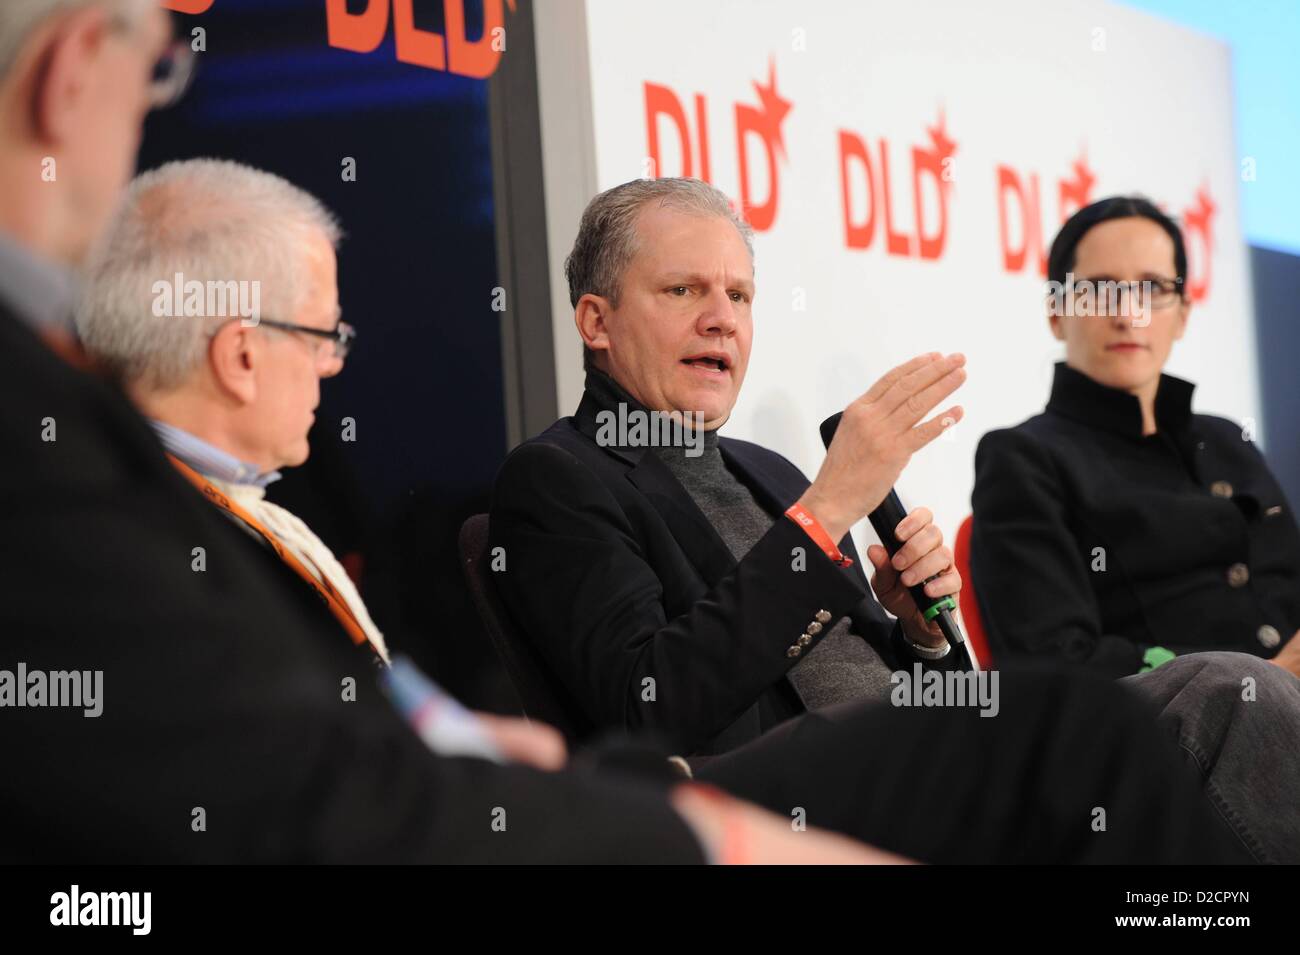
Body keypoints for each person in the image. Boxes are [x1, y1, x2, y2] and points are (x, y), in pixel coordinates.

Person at [0, 0, 885, 864]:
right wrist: (695, 835)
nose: (339, 365)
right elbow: (324, 781)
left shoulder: (219, 514)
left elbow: (370, 731)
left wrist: (921, 631)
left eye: (738, 295)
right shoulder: (103, 501)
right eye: (324, 335)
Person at [489, 176, 1296, 862]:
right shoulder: (559, 477)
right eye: (683, 290)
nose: (722, 318)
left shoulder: (766, 471)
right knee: (1220, 692)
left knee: (1206, 720)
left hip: (912, 763)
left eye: (738, 294)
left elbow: (939, 696)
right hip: (761, 793)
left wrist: (920, 636)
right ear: (595, 322)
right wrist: (830, 507)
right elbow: (649, 706)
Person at [970, 195, 1300, 679]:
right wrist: (1271, 678)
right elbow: (1055, 666)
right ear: (1057, 312)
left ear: (1183, 313)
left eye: (1152, 288)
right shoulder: (1023, 458)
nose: (1129, 315)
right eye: (1100, 290)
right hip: (1181, 741)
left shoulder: (1228, 440)